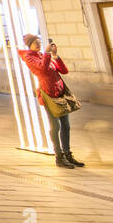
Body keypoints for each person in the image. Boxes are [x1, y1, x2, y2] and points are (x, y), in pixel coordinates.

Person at [18, 33, 83, 168]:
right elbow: (43, 70)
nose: (39, 44)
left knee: (66, 125)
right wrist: (47, 54)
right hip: (48, 94)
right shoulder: (29, 57)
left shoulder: (43, 56)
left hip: (60, 93)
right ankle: (59, 157)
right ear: (30, 45)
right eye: (36, 42)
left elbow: (64, 71)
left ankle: (68, 154)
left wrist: (55, 56)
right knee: (56, 126)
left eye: (39, 42)